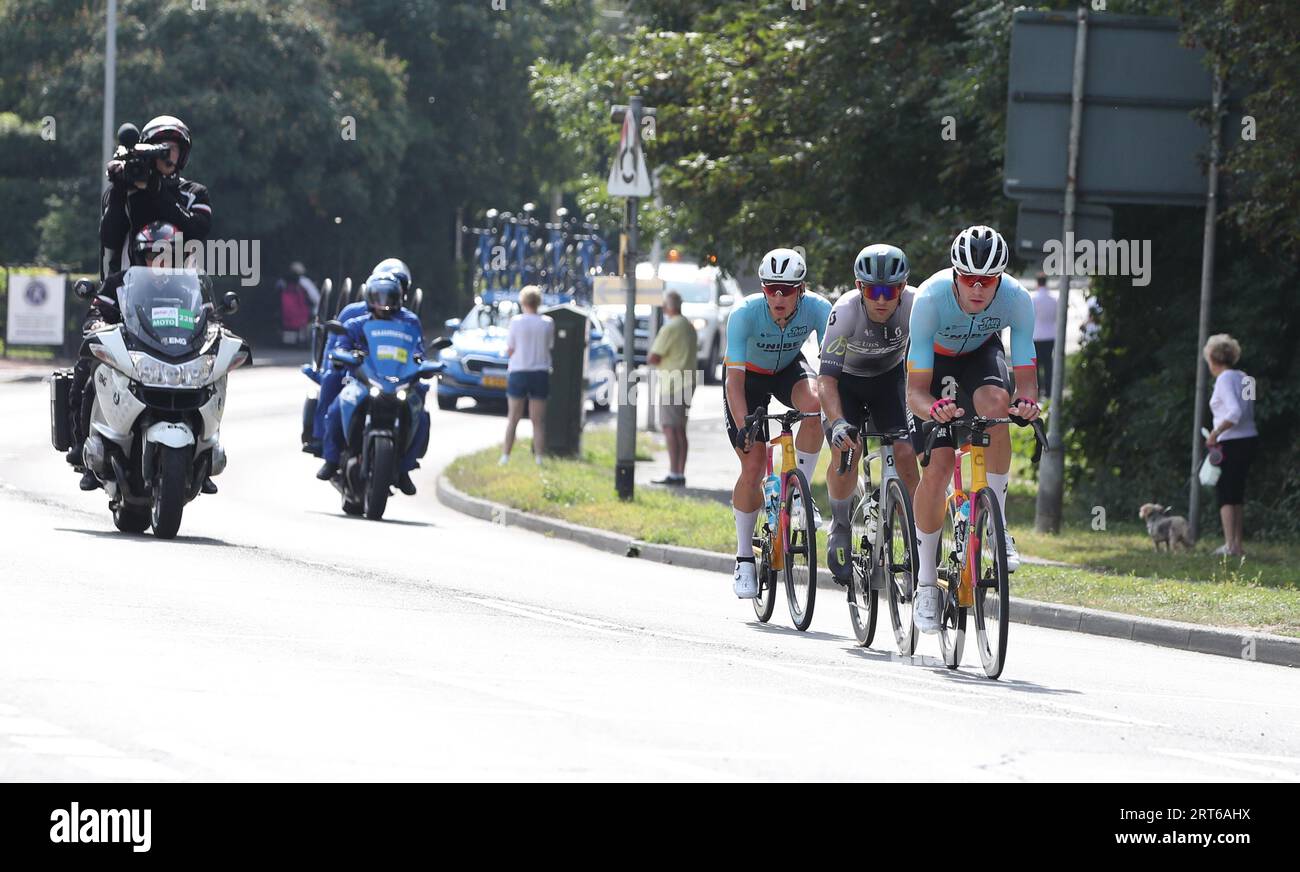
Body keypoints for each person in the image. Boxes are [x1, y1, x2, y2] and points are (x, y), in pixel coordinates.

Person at [905, 225, 1039, 633]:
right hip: (935, 367)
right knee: (940, 465)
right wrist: (934, 408)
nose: (978, 289)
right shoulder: (929, 299)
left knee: (999, 407)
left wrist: (1028, 402)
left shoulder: (1017, 298)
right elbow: (914, 392)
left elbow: (1026, 371)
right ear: (955, 274)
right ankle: (926, 582)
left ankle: (995, 521)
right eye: (969, 279)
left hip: (981, 354)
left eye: (988, 281)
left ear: (1000, 279)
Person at [66, 222, 224, 494]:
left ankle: (203, 455)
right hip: (132, 352)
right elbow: (97, 311)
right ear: (141, 256)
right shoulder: (120, 282)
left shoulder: (190, 287)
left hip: (181, 354)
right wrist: (97, 324)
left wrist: (218, 330)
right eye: (154, 254)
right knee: (88, 372)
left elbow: (210, 318)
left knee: (214, 381)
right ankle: (83, 446)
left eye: (168, 254)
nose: (160, 260)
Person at [725, 247, 832, 598]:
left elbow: (831, 367)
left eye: (787, 289)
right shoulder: (744, 313)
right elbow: (734, 382)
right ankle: (743, 558)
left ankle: (798, 492)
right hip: (749, 379)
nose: (779, 296)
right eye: (772, 288)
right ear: (763, 288)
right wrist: (745, 427)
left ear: (801, 290)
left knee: (815, 406)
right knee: (753, 466)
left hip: (788, 368)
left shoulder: (819, 309)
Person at [819, 244, 920, 582]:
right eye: (872, 290)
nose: (881, 299)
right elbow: (826, 380)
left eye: (889, 290)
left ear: (902, 288)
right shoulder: (845, 312)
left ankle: (919, 536)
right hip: (845, 383)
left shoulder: (917, 307)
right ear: (859, 287)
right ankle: (841, 524)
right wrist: (837, 423)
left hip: (889, 381)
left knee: (906, 452)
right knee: (848, 447)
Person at [316, 273, 427, 495]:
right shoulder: (357, 323)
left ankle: (405, 468)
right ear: (369, 298)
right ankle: (330, 459)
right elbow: (341, 345)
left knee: (421, 416)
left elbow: (419, 350)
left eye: (390, 297)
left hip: (397, 383)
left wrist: (422, 362)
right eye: (378, 297)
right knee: (336, 409)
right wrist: (343, 355)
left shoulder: (410, 321)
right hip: (363, 380)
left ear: (399, 298)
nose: (384, 304)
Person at [307, 259, 414, 455]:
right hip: (356, 371)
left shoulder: (407, 318)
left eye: (396, 289)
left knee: (418, 400)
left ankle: (405, 461)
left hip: (390, 376)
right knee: (331, 378)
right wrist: (335, 362)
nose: (385, 300)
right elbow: (335, 345)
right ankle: (321, 439)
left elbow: (415, 348)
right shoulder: (353, 314)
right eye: (380, 294)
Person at [100, 115, 211, 279]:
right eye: (160, 149)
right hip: (127, 293)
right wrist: (119, 189)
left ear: (182, 154)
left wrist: (157, 190)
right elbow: (110, 239)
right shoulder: (126, 191)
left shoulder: (195, 193)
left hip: (182, 294)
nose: (167, 155)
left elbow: (196, 231)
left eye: (172, 148)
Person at [1204, 333, 1257, 557]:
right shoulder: (1245, 377)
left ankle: (1229, 545)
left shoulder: (1224, 379)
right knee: (1237, 493)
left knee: (1225, 492)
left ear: (1212, 359)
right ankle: (1237, 544)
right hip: (1249, 439)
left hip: (1230, 442)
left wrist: (1215, 433)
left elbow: (1234, 412)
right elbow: (1249, 410)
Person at [648, 289, 698, 486]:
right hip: (688, 380)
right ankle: (680, 472)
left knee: (669, 428)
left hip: (672, 383)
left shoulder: (670, 328)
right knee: (680, 430)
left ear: (668, 307)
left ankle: (673, 473)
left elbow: (653, 356)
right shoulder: (688, 326)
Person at [500, 285, 555, 465]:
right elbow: (549, 345)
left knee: (513, 418)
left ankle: (506, 456)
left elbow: (510, 348)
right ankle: (539, 457)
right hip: (540, 372)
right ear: (538, 302)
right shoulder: (547, 322)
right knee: (538, 421)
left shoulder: (516, 322)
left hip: (519, 371)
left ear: (523, 302)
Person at [1031, 272, 1058, 392]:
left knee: (1036, 364)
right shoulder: (1053, 299)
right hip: (1050, 334)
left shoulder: (1033, 298)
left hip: (1036, 334)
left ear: (1037, 283)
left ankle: (1037, 388)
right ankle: (1048, 389)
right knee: (1048, 363)